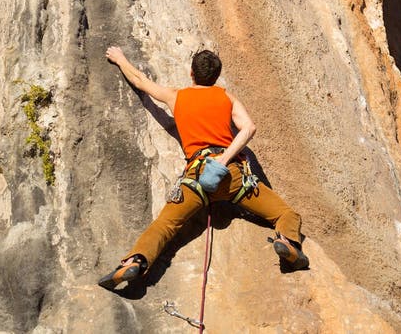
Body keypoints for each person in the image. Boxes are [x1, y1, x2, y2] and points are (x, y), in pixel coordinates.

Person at [98, 46, 309, 291]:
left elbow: (140, 81)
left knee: (165, 225)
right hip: (232, 176)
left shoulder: (177, 96)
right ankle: (289, 242)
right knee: (286, 214)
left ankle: (136, 260)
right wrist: (224, 159)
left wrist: (120, 58)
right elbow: (249, 128)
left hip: (196, 176)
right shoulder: (226, 97)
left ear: (191, 73)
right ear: (216, 77)